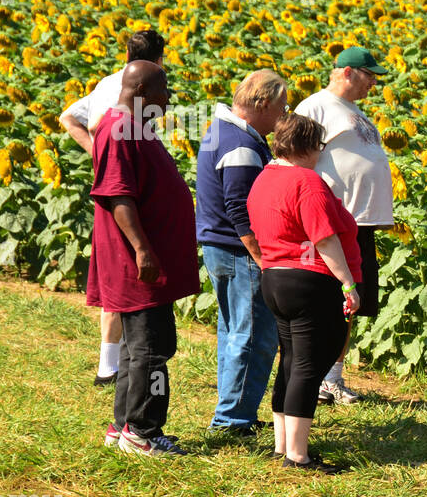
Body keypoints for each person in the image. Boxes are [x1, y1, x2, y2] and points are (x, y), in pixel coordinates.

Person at [87, 60, 199, 458]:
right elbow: (118, 195)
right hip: (137, 263)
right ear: (140, 94)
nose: (168, 99)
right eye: (162, 92)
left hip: (144, 260)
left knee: (137, 350)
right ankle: (145, 431)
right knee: (153, 350)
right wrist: (142, 248)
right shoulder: (119, 129)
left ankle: (123, 426)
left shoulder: (131, 126)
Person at [247, 113, 362, 473]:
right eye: (319, 146)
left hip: (274, 278)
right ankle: (299, 455)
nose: (321, 153)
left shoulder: (265, 177)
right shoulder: (306, 182)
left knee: (292, 359)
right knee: (308, 366)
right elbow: (324, 238)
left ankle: (283, 444)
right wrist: (348, 283)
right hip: (308, 280)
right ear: (307, 146)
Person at [60, 29, 165, 387]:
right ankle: (118, 364)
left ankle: (109, 363)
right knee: (125, 270)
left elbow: (68, 118)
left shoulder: (109, 82)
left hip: (115, 181)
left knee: (115, 269)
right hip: (124, 188)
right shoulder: (140, 88)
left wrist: (95, 153)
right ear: (158, 60)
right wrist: (102, 155)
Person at [294, 46, 393, 405]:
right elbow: (296, 158)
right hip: (331, 219)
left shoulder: (354, 111)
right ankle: (317, 377)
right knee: (328, 301)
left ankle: (332, 377)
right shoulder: (315, 106)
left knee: (351, 303)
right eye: (370, 76)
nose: (374, 83)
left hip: (358, 221)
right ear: (348, 73)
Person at [196, 70, 289, 437]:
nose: (283, 116)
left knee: (232, 331)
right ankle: (233, 419)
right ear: (262, 104)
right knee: (253, 336)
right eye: (281, 107)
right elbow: (239, 209)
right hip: (238, 251)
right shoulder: (241, 145)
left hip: (219, 247)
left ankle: (232, 411)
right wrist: (263, 258)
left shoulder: (220, 129)